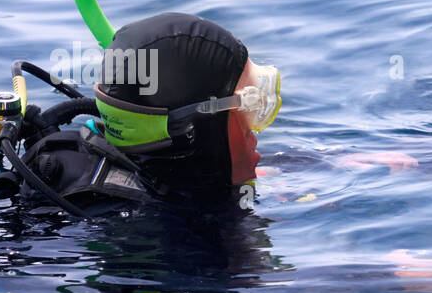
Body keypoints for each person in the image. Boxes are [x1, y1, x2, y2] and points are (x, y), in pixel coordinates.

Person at [21, 12, 280, 212]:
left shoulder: (97, 164)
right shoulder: (192, 242)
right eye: (251, 109)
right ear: (198, 133)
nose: (255, 131)